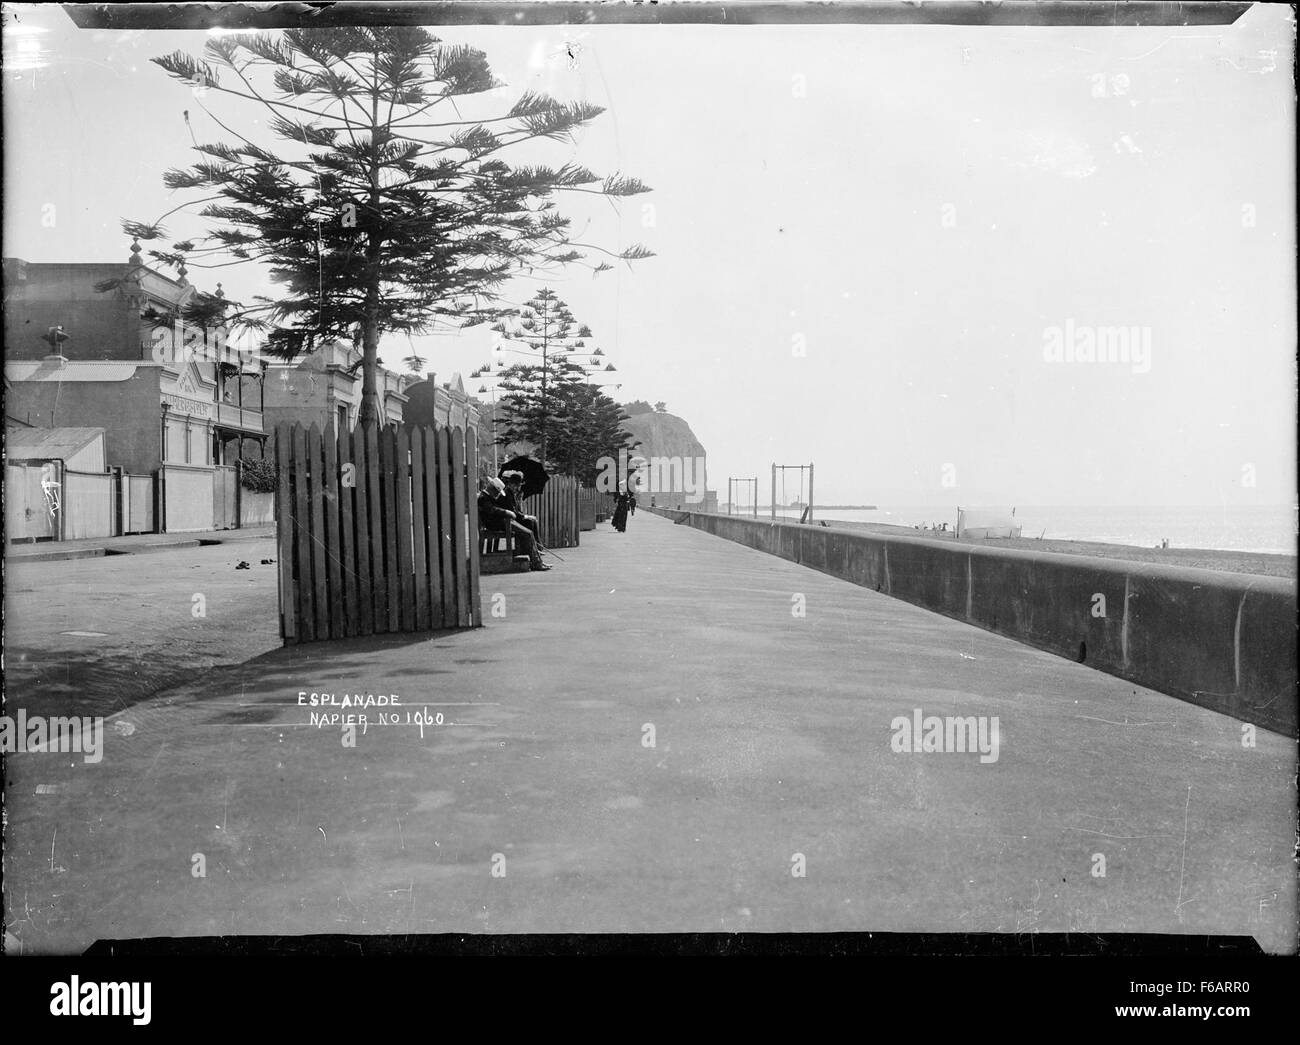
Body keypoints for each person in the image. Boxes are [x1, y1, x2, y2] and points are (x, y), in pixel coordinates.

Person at [478, 477, 549, 571]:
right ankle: (536, 563)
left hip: (499, 522)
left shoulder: (486, 496)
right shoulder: (483, 497)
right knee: (527, 533)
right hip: (495, 524)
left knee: (527, 533)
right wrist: (506, 512)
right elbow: (491, 509)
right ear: (492, 489)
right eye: (497, 492)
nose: (497, 494)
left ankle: (537, 561)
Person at [499, 471, 541, 545]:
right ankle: (530, 547)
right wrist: (525, 516)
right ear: (511, 484)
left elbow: (517, 510)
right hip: (509, 520)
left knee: (532, 521)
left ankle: (536, 545)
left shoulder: (512, 493)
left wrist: (525, 516)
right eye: (517, 486)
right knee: (529, 522)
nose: (518, 488)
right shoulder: (507, 494)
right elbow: (513, 511)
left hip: (512, 518)